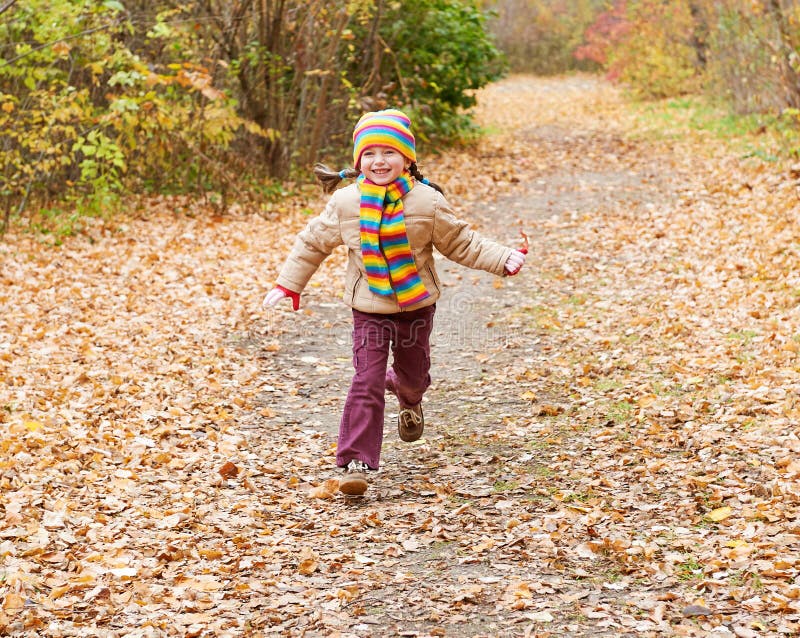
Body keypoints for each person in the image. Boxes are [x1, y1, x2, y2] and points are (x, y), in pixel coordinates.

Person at [263, 108, 526, 496]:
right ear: (358, 161)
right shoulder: (346, 203)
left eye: (389, 152)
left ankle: (408, 397)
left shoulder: (427, 202)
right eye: (369, 154)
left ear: (407, 158)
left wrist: (502, 258)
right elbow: (312, 242)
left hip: (416, 307)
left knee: (414, 376)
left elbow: (462, 242)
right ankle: (355, 462)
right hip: (368, 308)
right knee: (365, 379)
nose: (379, 161)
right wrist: (289, 285)